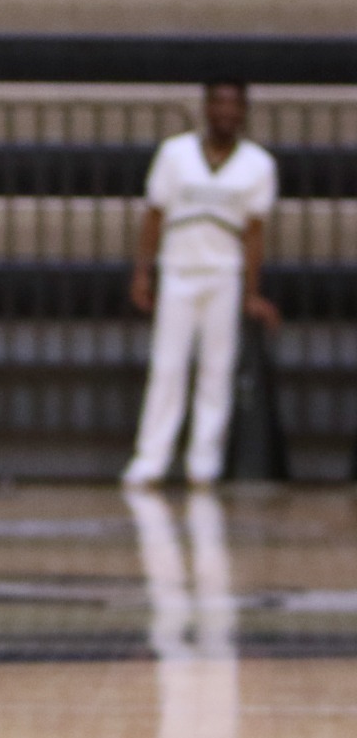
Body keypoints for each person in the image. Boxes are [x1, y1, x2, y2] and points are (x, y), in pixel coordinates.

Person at [123, 81, 279, 488]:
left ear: (244, 112)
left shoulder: (258, 164)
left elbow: (255, 233)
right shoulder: (174, 154)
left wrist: (251, 292)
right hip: (177, 270)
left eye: (234, 105)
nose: (226, 112)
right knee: (167, 367)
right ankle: (151, 459)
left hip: (224, 274)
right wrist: (143, 272)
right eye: (220, 103)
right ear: (206, 108)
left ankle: (203, 462)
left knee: (217, 370)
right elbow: (154, 215)